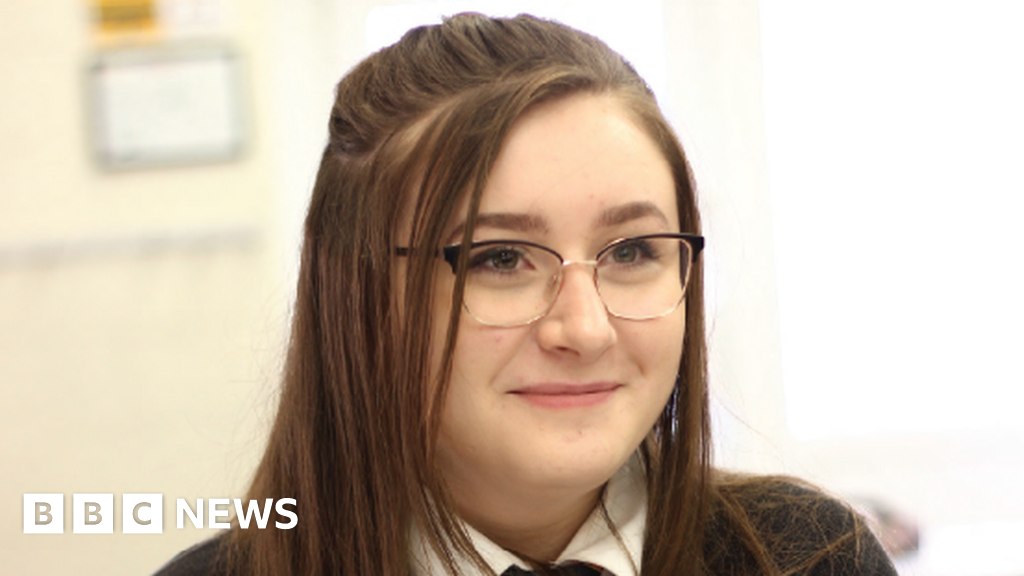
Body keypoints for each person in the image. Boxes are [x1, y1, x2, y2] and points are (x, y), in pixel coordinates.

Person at [155, 12, 896, 576]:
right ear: (358, 294)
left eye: (632, 251)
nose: (586, 328)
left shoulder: (809, 558)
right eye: (501, 258)